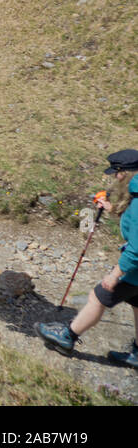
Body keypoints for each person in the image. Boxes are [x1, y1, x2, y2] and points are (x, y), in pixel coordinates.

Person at [38, 148, 138, 368]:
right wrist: (112, 208)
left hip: (134, 271)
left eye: (117, 172)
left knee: (97, 297)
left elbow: (137, 248)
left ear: (127, 172)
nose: (115, 177)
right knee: (137, 303)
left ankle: (68, 337)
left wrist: (116, 274)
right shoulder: (136, 193)